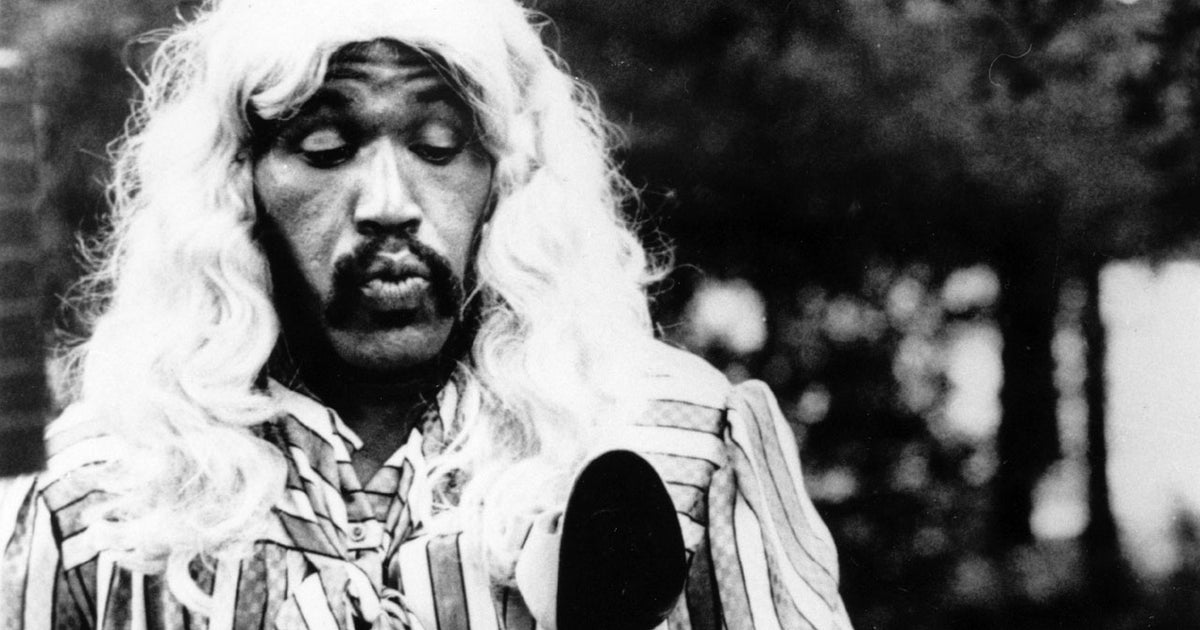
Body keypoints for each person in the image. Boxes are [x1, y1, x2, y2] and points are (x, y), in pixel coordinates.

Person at [0, 0, 853, 628]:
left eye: (439, 145)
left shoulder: (677, 448)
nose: (388, 204)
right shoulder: (104, 500)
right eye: (326, 149)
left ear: (509, 178)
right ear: (238, 188)